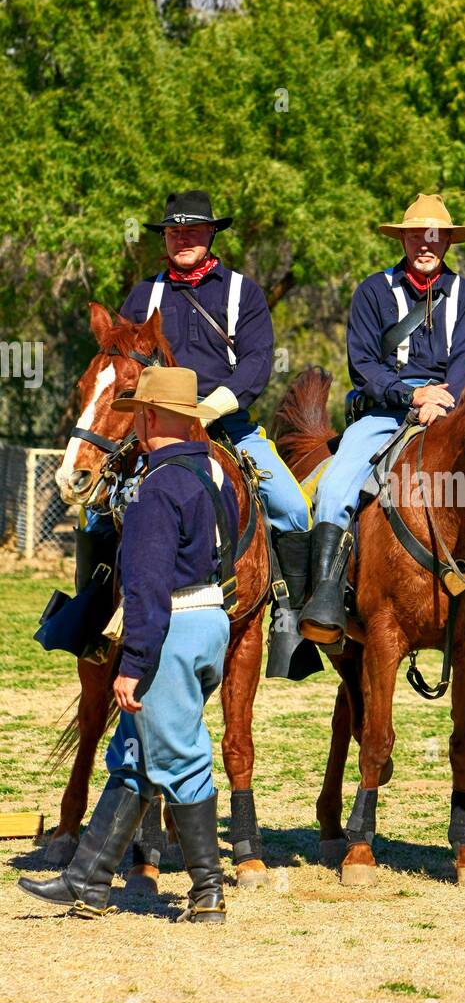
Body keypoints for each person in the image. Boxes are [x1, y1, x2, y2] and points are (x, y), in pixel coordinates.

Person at [19, 367, 239, 921]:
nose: (135, 419)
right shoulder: (211, 472)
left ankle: (207, 892)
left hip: (171, 629)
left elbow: (145, 586)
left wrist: (133, 661)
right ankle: (86, 882)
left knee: (179, 758)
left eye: (139, 410)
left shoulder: (156, 486)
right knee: (132, 754)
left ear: (149, 417)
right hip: (209, 620)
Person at [298, 194, 465, 655]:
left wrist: (445, 402)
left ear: (447, 243)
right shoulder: (372, 291)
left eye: (434, 236)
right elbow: (362, 364)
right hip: (384, 409)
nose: (425, 243)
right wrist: (410, 395)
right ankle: (326, 597)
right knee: (335, 487)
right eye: (417, 234)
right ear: (403, 238)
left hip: (452, 409)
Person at [120, 189, 318, 680]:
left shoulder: (241, 292)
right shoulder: (144, 294)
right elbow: (121, 360)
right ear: (164, 238)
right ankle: (87, 615)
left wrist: (208, 409)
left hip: (225, 421)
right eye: (173, 231)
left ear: (211, 234)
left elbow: (256, 362)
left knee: (293, 508)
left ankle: (288, 620)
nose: (181, 239)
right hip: (152, 424)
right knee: (94, 510)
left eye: (191, 230)